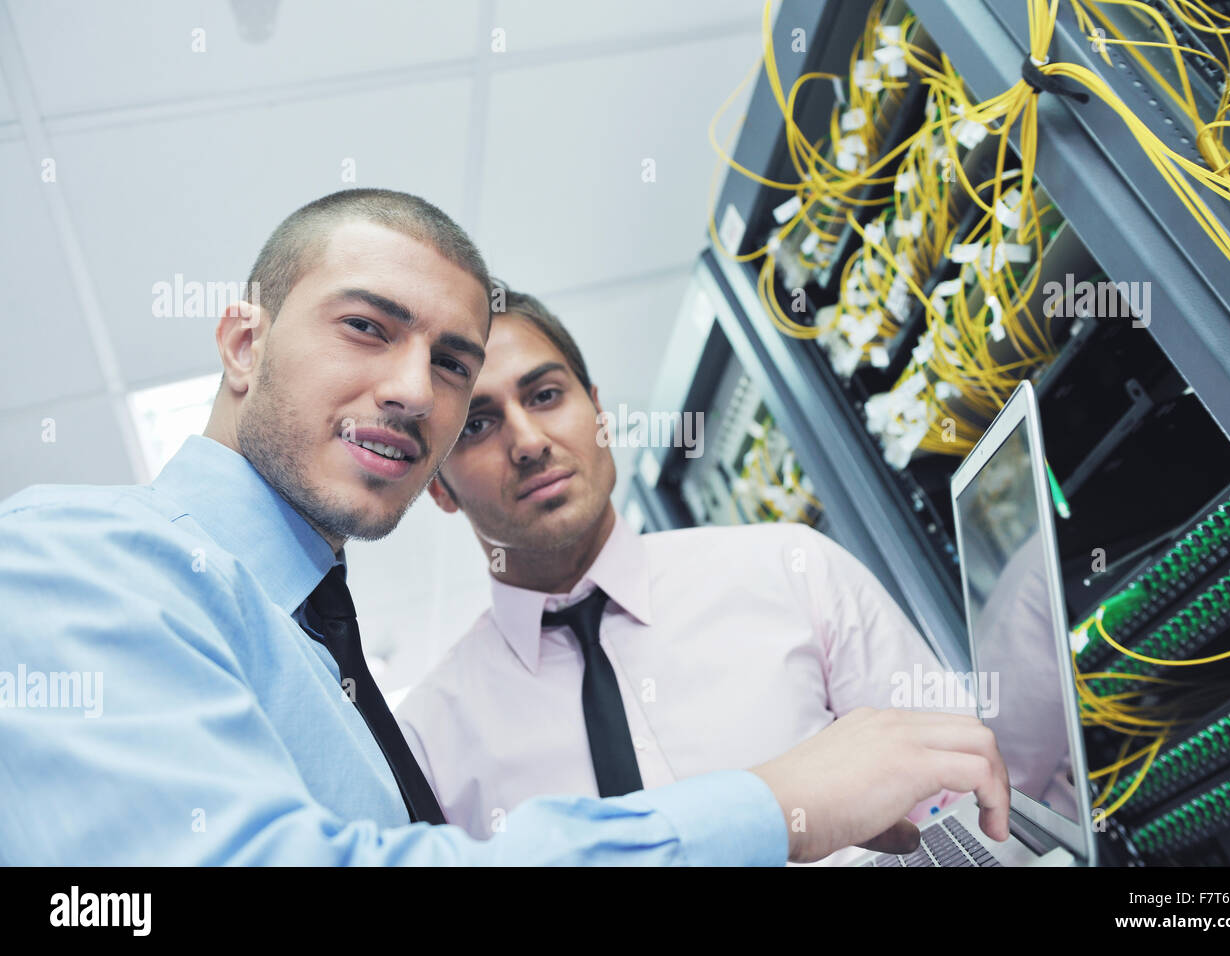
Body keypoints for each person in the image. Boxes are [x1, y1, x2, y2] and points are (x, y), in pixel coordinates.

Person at [0, 188, 1009, 865]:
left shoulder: (325, 678)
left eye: (448, 360)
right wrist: (772, 803)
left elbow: (974, 800)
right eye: (367, 325)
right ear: (243, 341)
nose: (412, 391)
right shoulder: (79, 559)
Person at [397, 288, 976, 862]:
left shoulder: (795, 571)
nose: (527, 442)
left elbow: (961, 792)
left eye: (546, 395)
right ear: (439, 487)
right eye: (476, 426)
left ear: (600, 413)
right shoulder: (429, 739)